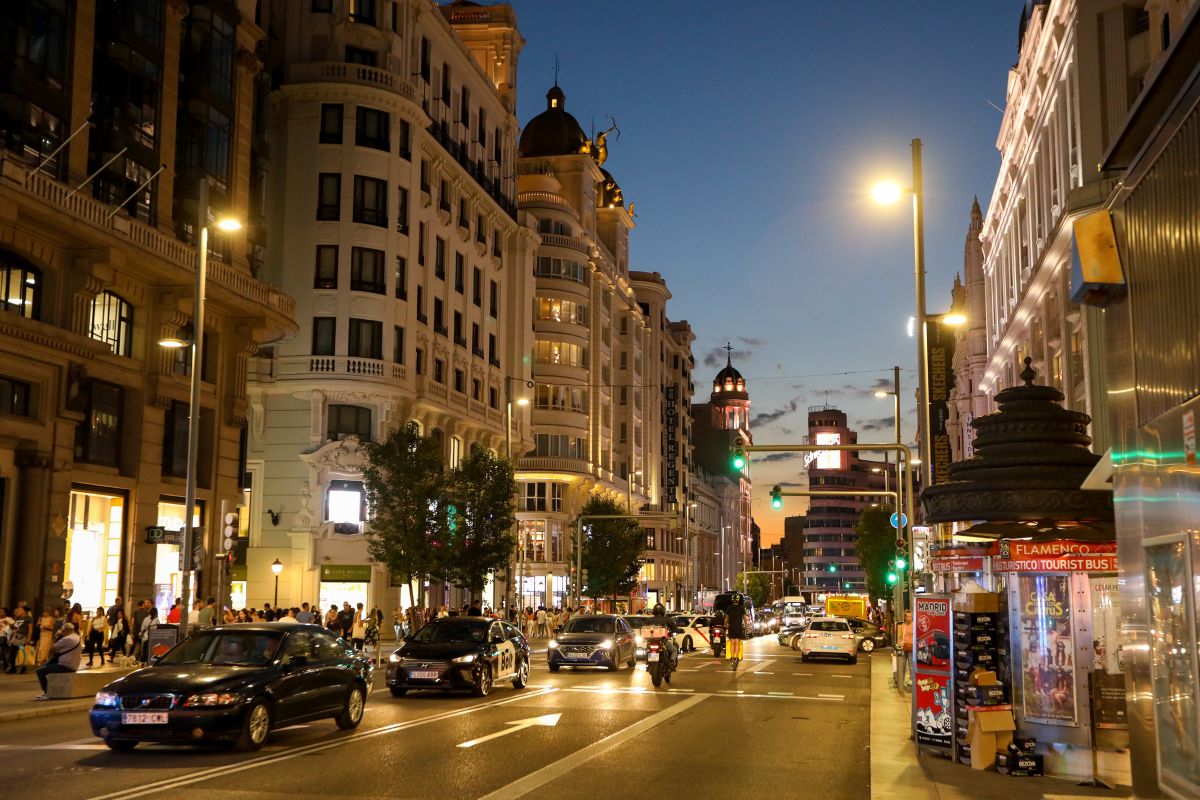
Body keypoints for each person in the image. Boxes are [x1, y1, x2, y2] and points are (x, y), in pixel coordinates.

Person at [34, 622, 81, 700]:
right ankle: (49, 691)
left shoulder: (67, 638)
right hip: (73, 665)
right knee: (47, 666)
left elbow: (52, 647)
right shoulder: (77, 637)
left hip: (65, 666)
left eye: (62, 631)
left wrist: (56, 636)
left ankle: (48, 693)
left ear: (65, 631)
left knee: (40, 671)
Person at [646, 603, 681, 669]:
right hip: (663, 640)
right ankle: (671, 662)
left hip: (651, 640)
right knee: (674, 650)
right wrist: (679, 630)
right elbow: (675, 628)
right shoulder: (668, 619)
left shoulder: (649, 619)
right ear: (663, 611)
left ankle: (648, 663)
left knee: (647, 650)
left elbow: (645, 628)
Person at [725, 594, 747, 670]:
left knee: (732, 643)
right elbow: (744, 618)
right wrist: (746, 625)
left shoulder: (729, 608)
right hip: (738, 627)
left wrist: (725, 624)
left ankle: (732, 657)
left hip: (731, 627)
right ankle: (736, 657)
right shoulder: (741, 608)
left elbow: (726, 618)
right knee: (737, 642)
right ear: (738, 600)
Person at [896, 611, 914, 691]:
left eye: (910, 616)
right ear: (905, 617)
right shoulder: (902, 625)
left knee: (911, 664)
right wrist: (899, 643)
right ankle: (901, 680)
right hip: (903, 647)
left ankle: (912, 680)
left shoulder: (913, 625)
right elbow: (900, 636)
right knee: (902, 665)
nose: (909, 618)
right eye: (908, 616)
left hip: (911, 647)